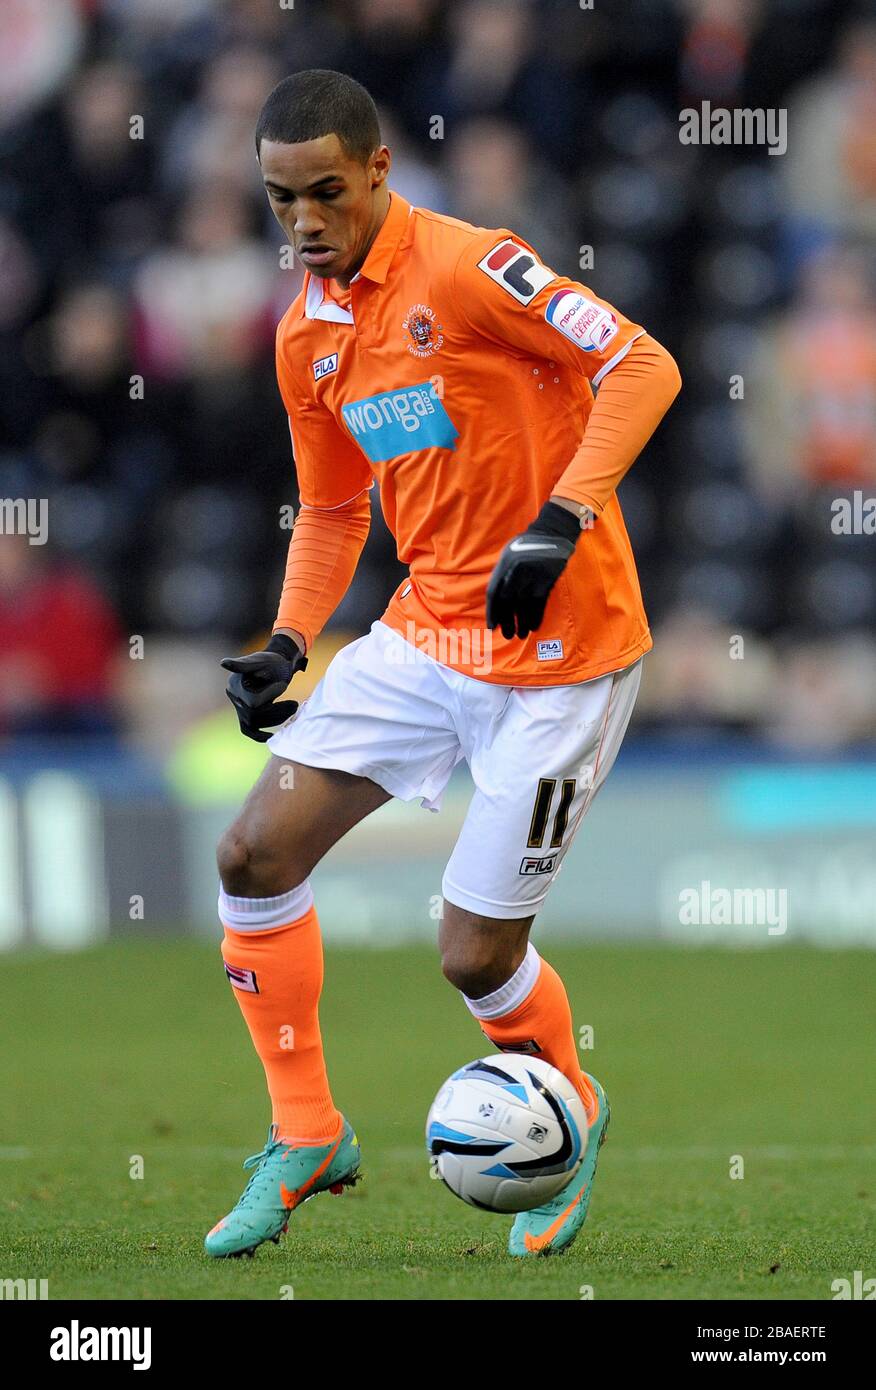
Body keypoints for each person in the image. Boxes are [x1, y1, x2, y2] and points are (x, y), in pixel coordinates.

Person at [206, 69, 681, 1260]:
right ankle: (306, 1129)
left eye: (325, 191)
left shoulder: (474, 267)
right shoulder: (306, 336)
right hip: (426, 637)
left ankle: (568, 1105)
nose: (304, 220)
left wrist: (563, 516)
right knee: (252, 852)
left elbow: (645, 365)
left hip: (565, 655)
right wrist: (288, 641)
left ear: (376, 172)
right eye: (278, 199)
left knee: (473, 953)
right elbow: (330, 513)